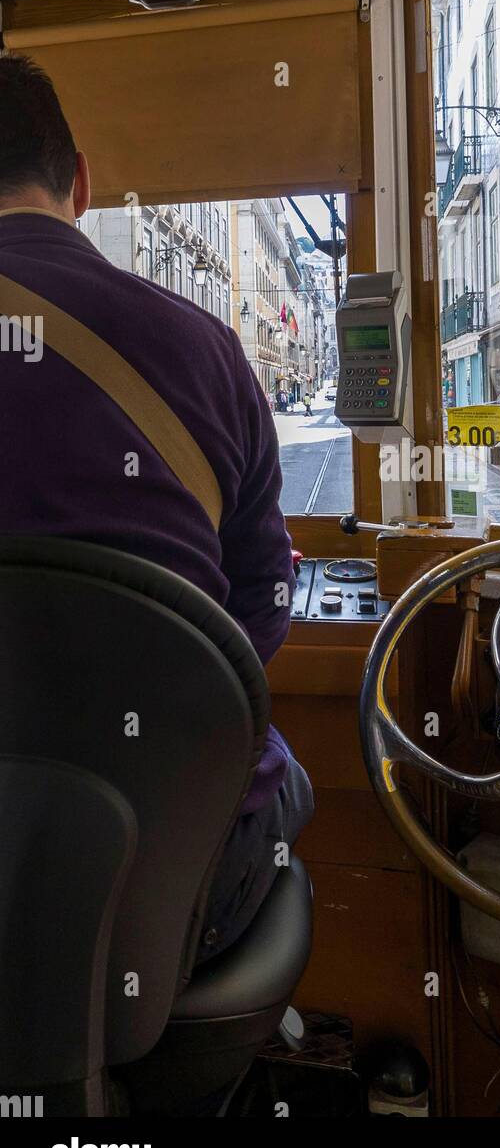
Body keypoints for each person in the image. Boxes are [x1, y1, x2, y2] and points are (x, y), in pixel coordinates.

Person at [0, 54, 313, 966]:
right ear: (81, 185)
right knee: (285, 783)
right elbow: (259, 605)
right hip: (178, 878)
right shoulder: (208, 349)